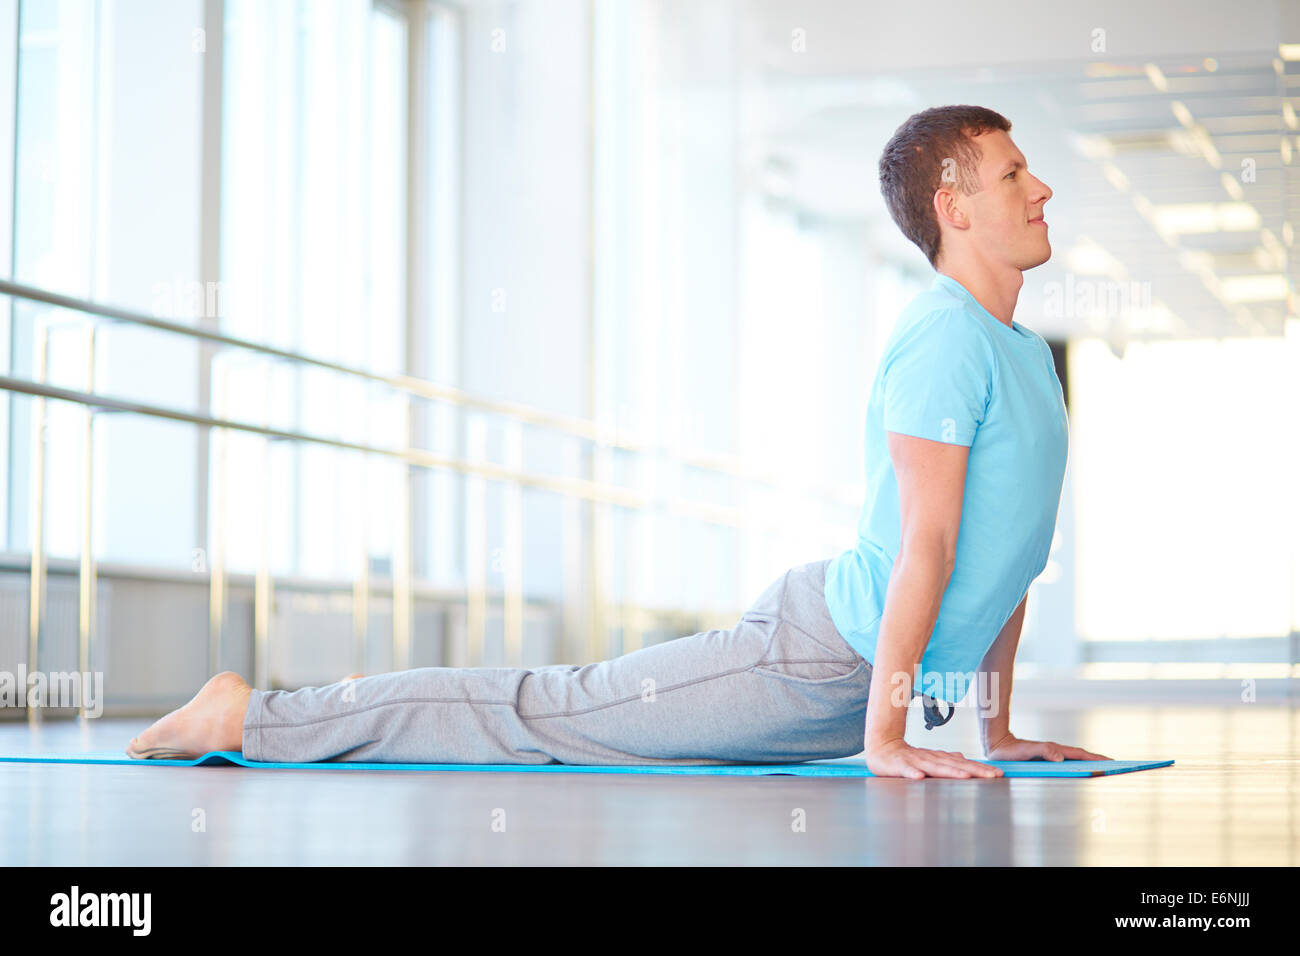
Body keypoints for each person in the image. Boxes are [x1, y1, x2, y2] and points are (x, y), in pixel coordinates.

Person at [127, 104, 1109, 778]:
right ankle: (249, 715)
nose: (1042, 188)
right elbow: (926, 547)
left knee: (563, 713)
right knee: (550, 713)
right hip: (817, 660)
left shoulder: (1019, 353)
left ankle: (318, 707)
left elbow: (1008, 560)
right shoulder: (944, 336)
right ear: (954, 207)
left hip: (851, 682)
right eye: (1013, 172)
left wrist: (998, 728)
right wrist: (887, 734)